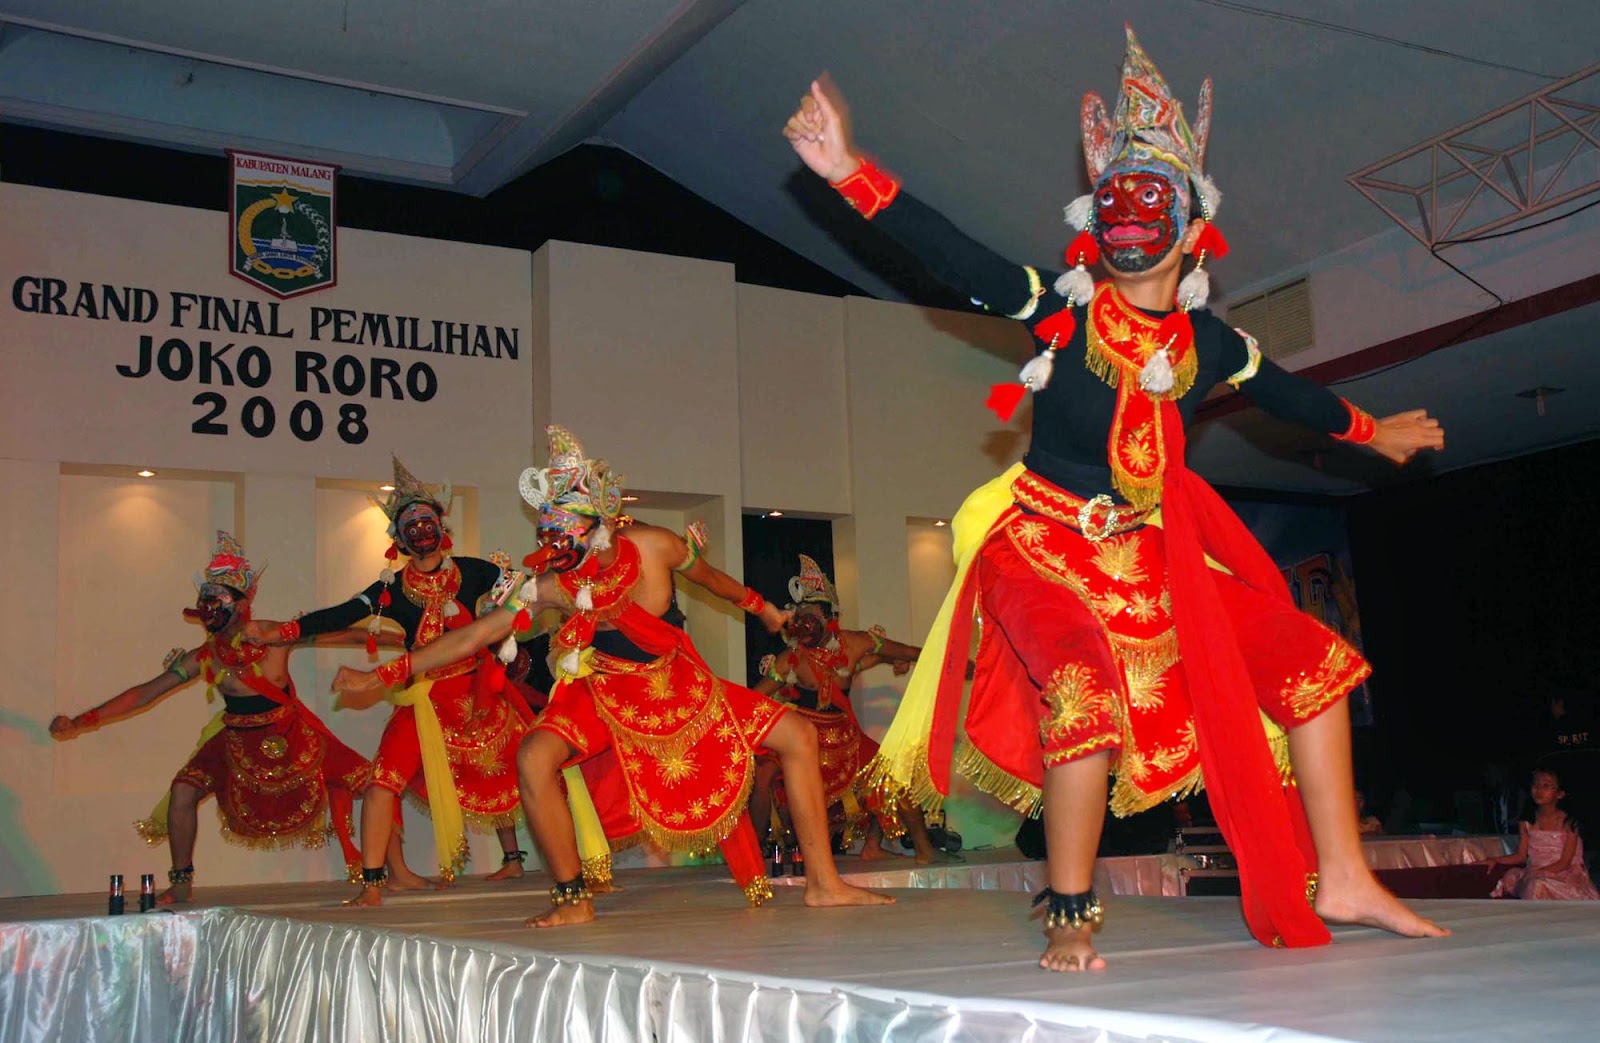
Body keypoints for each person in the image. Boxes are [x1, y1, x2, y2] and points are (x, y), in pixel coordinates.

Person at [785, 26, 1448, 971]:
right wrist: (849, 171)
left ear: (1193, 226)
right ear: (1092, 220)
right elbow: (955, 257)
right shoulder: (1061, 310)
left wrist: (1370, 431)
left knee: (1315, 660)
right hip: (1042, 549)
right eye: (1114, 197)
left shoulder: (1210, 343)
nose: (1129, 211)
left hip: (1151, 555)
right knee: (1083, 694)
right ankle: (1069, 908)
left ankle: (1342, 873)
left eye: (1153, 196)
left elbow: (1287, 395)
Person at [333, 426, 893, 926]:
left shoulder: (655, 546)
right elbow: (474, 636)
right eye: (545, 534)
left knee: (798, 734)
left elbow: (712, 580)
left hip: (678, 684)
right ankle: (572, 896)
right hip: (606, 692)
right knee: (534, 755)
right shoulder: (554, 586)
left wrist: (764, 609)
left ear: (597, 525)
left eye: (562, 532)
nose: (551, 546)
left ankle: (824, 883)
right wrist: (384, 674)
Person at [249, 458, 534, 905]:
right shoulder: (391, 589)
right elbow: (342, 614)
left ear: (441, 526)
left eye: (426, 521)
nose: (420, 530)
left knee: (520, 766)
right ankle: (373, 884)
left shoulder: (475, 571)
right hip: (423, 698)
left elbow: (520, 594)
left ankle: (525, 859)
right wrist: (284, 631)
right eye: (410, 526)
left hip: (477, 691)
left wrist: (506, 632)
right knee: (382, 781)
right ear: (398, 541)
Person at [50, 532, 379, 903]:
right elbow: (144, 694)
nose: (208, 609)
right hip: (236, 739)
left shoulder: (274, 635)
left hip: (290, 733)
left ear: (241, 604)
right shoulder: (205, 656)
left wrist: (400, 642)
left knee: (375, 784)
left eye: (216, 600)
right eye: (203, 601)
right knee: (182, 790)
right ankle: (181, 881)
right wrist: (81, 721)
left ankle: (384, 875)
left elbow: (335, 632)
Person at [749, 554, 944, 863]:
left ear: (829, 616)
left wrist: (949, 661)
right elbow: (754, 699)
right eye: (800, 614)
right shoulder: (791, 659)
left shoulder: (855, 643)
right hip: (803, 734)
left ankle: (918, 850)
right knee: (763, 774)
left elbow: (905, 651)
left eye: (811, 614)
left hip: (844, 736)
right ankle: (754, 855)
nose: (804, 622)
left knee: (889, 775)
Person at [1481, 769, 1599, 900]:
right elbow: (1521, 856)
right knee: (1519, 878)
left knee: (1537, 884)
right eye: (1536, 785)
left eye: (1546, 786)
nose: (1539, 790)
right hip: (1534, 871)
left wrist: (1538, 873)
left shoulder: (1568, 822)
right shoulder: (1527, 822)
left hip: (1562, 873)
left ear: (1560, 794)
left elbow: (1564, 862)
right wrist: (1495, 860)